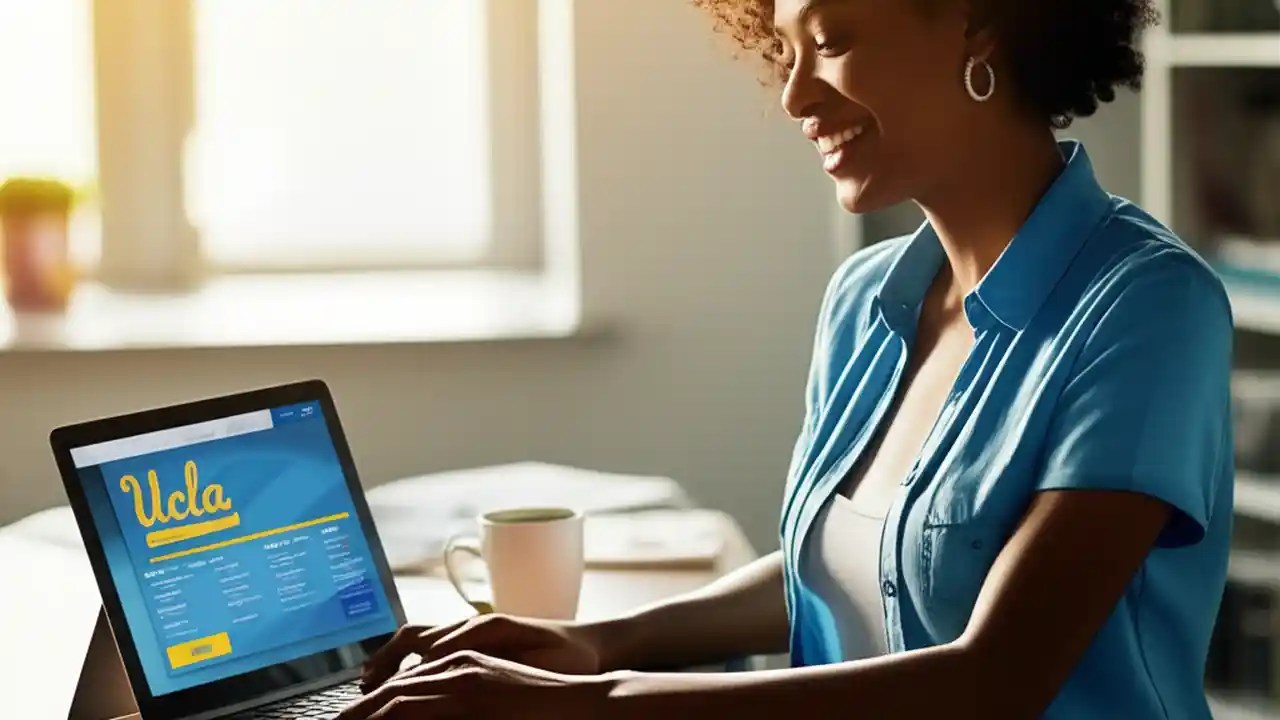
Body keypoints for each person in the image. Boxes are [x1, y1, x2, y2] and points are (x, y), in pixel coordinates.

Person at [341, 0, 1234, 717]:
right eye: (784, 48)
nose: (795, 95)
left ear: (980, 22)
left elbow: (993, 681)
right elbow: (853, 563)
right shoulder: (865, 300)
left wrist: (585, 701)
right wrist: (600, 642)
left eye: (832, 41)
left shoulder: (1149, 307)